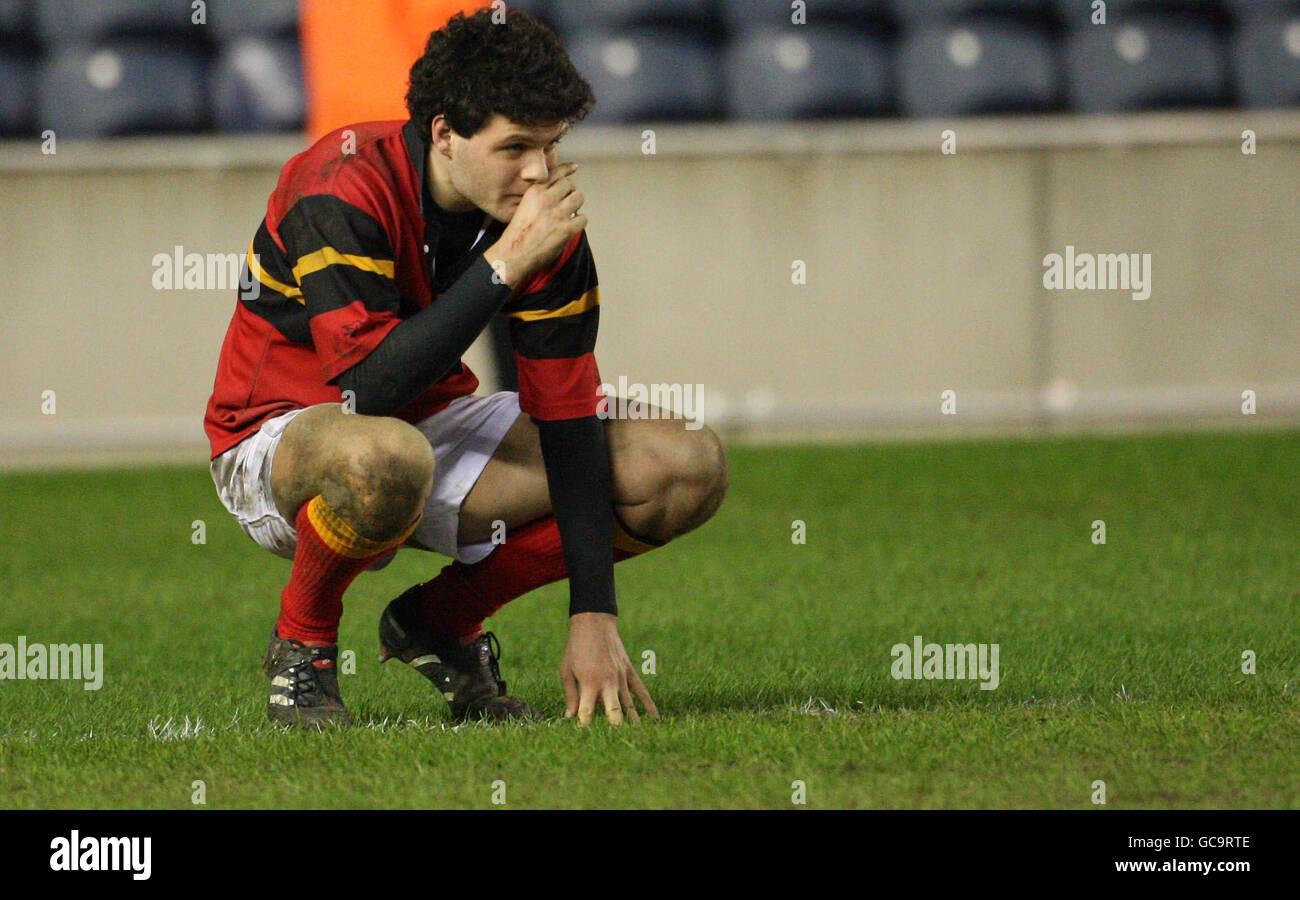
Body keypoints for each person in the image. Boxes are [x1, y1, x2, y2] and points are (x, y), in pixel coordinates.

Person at [203, 8, 728, 729]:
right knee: (386, 455)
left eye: (550, 146)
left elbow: (569, 420)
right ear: (445, 132)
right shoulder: (340, 184)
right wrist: (506, 263)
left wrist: (594, 614)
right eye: (515, 146)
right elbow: (371, 390)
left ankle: (439, 622)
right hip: (279, 438)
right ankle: (304, 646)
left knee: (681, 464)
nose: (539, 172)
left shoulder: (533, 220)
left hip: (426, 424)